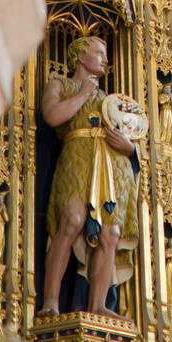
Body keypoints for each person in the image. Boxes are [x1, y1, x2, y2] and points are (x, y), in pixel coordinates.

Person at [40, 36, 139, 317]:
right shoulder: (61, 84)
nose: (105, 60)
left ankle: (98, 305)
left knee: (111, 233)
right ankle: (51, 301)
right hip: (77, 158)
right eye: (99, 53)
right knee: (72, 220)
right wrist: (83, 93)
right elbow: (52, 115)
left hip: (111, 164)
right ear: (81, 57)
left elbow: (134, 132)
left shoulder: (112, 101)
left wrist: (129, 147)